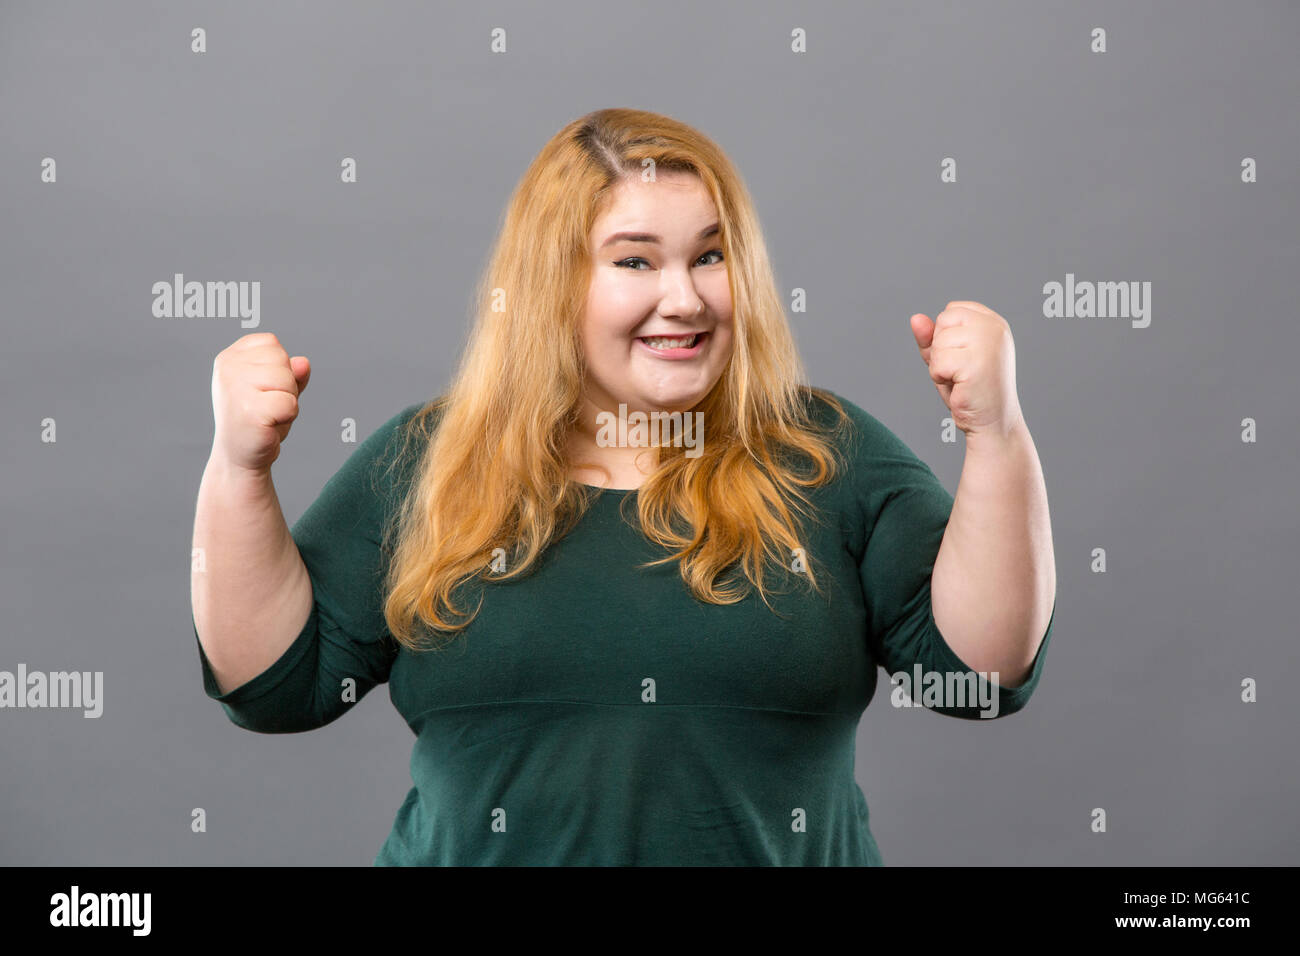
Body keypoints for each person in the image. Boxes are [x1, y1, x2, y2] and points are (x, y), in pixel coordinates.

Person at [190, 107, 1057, 865]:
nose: (684, 299)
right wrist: (238, 470)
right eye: (636, 262)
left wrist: (997, 437)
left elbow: (982, 674)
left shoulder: (824, 454)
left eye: (710, 256)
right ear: (550, 285)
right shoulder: (431, 460)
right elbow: (274, 686)